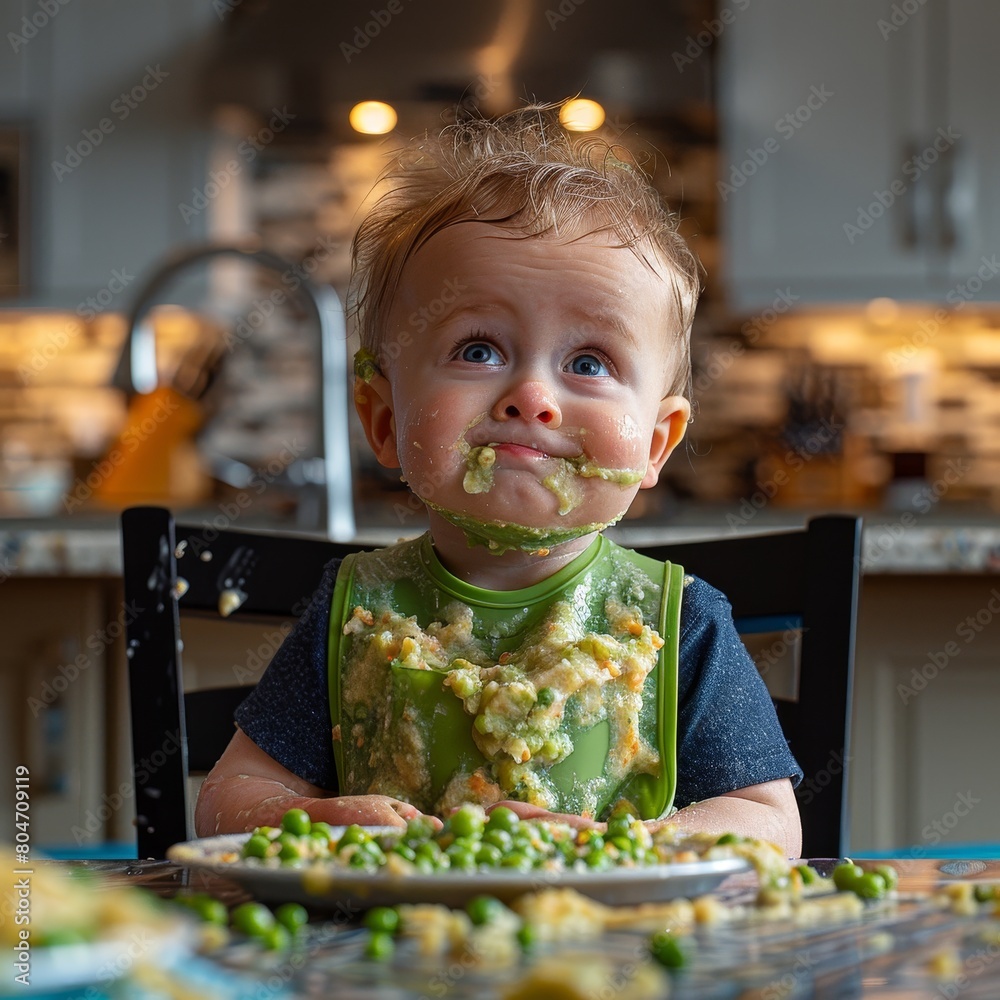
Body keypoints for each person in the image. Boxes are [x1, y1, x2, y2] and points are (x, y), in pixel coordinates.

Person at [196, 106, 803, 855]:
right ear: (383, 421)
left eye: (588, 363)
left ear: (656, 443)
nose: (532, 396)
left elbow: (769, 825)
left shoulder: (682, 626)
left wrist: (633, 846)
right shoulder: (353, 614)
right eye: (479, 349)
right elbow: (228, 801)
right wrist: (317, 820)